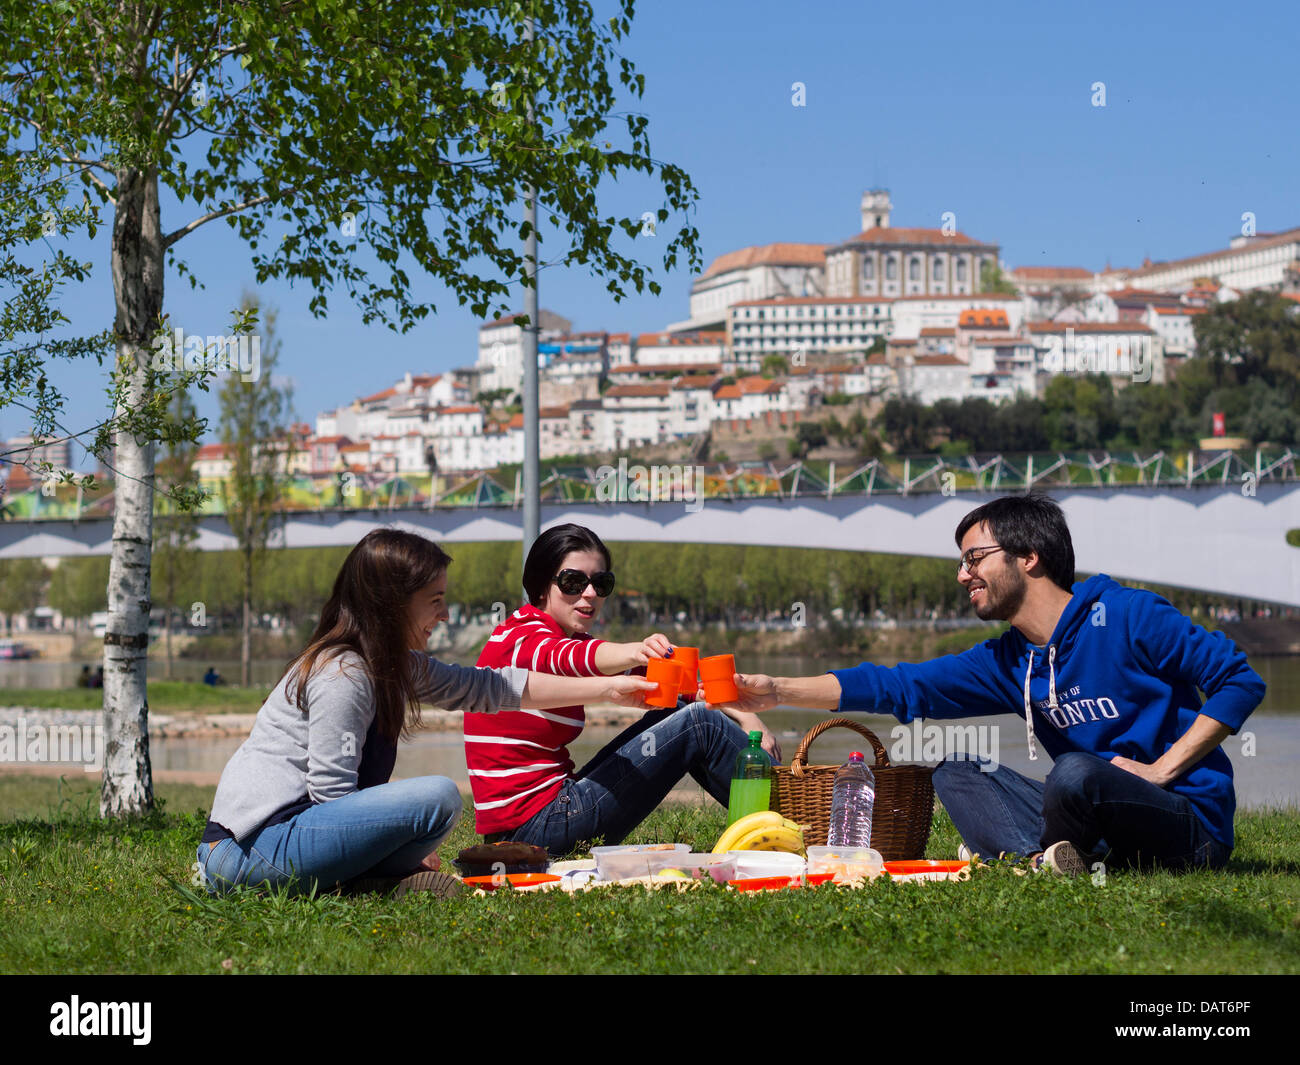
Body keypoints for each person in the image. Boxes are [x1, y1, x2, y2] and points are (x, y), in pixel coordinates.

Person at [715, 494, 1265, 875]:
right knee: (955, 766)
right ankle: (1046, 861)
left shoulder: (1127, 615)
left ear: (1030, 557)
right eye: (961, 562)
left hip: (1186, 827)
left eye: (975, 558)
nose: (962, 575)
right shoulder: (1009, 660)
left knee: (1074, 772)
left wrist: (1161, 769)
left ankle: (1039, 854)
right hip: (1098, 821)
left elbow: (1239, 680)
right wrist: (776, 689)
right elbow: (901, 686)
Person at [195, 528, 656, 898]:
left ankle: (370, 882)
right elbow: (332, 798)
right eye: (435, 600)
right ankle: (366, 881)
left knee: (426, 817)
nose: (446, 614)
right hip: (246, 853)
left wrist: (608, 689)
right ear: (393, 605)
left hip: (286, 840)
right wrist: (393, 849)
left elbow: (489, 687)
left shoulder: (392, 663)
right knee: (437, 796)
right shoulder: (345, 674)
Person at [466, 523, 780, 856]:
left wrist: (748, 717)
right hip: (535, 828)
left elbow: (680, 685)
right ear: (543, 584)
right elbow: (569, 658)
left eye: (601, 584)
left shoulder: (553, 637)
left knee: (681, 712)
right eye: (573, 582)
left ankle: (773, 830)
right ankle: (795, 823)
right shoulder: (521, 640)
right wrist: (634, 650)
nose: (589, 594)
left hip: (545, 817)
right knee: (700, 724)